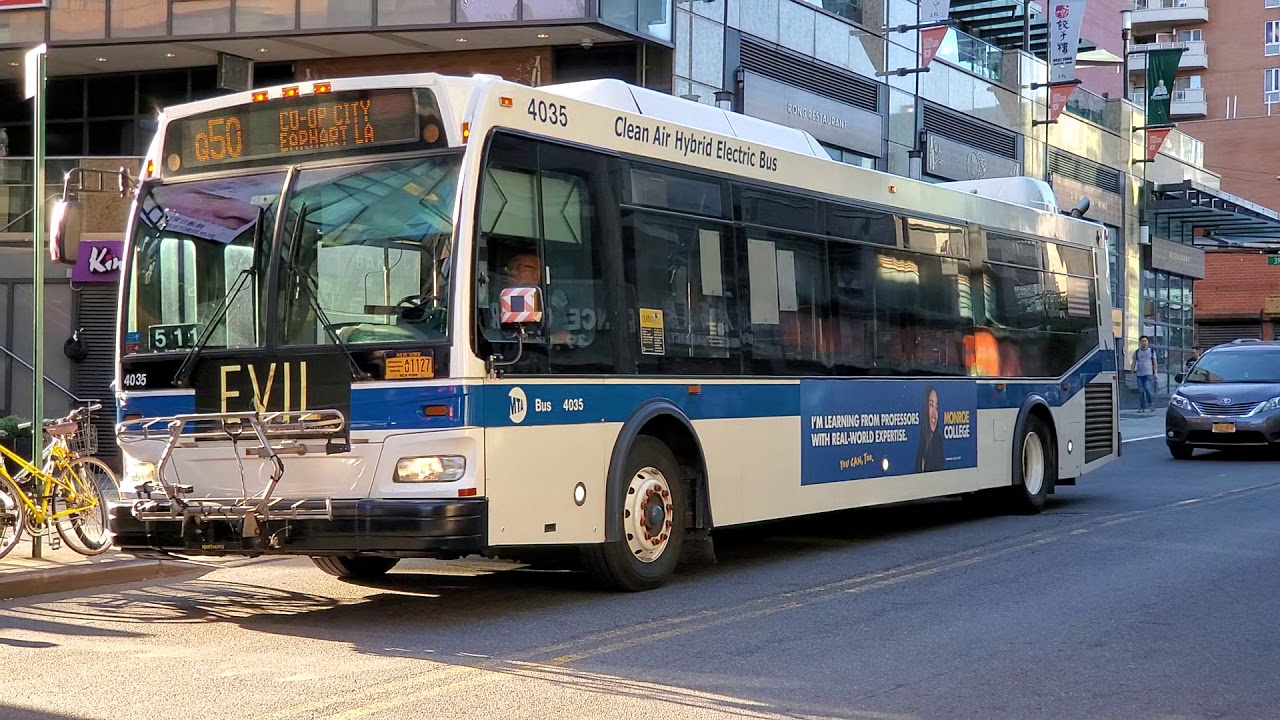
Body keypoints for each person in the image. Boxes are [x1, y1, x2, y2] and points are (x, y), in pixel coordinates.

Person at [915, 386, 946, 473]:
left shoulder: (937, 442)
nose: (934, 413)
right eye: (931, 405)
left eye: (936, 407)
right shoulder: (923, 443)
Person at [1132, 335, 1158, 413]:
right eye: (1142, 341)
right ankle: (1142, 407)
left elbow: (1155, 362)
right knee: (1140, 391)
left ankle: (1151, 403)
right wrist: (1132, 371)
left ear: (1148, 342)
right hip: (1139, 374)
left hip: (1148, 374)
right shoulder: (1137, 352)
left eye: (1145, 341)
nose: (1144, 343)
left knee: (1147, 388)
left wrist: (1155, 373)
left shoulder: (1151, 351)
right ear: (1140, 342)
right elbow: (1134, 362)